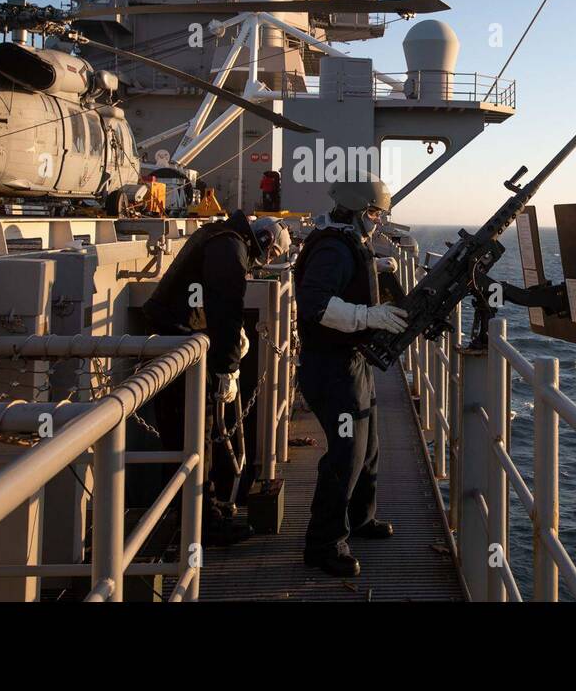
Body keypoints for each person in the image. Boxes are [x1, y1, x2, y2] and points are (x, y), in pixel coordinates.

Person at [145, 210, 291, 546]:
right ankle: (202, 524)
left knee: (186, 437)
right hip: (180, 344)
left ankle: (192, 515)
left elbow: (211, 298)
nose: (265, 263)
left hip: (177, 337)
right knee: (196, 434)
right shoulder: (231, 249)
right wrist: (228, 369)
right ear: (266, 242)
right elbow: (226, 307)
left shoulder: (220, 236)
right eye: (271, 256)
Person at [293, 179, 407, 576]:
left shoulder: (342, 244)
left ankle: (360, 518)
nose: (377, 222)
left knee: (368, 446)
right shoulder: (332, 249)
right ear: (357, 212)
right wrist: (368, 316)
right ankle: (324, 544)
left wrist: (371, 269)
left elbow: (344, 277)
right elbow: (314, 303)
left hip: (349, 363)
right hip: (331, 368)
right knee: (346, 456)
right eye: (374, 214)